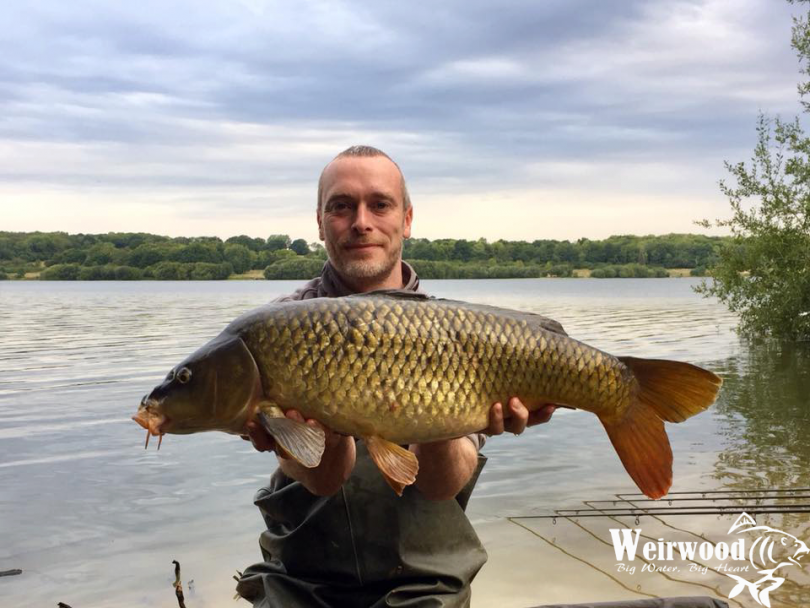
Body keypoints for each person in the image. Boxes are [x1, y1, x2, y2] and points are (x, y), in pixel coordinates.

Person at [235, 145, 560, 608]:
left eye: (379, 205)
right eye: (342, 206)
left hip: (425, 584)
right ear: (320, 222)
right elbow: (325, 480)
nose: (360, 222)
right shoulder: (279, 328)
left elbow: (439, 485)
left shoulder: (460, 332)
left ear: (406, 220)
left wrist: (442, 415)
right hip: (301, 582)